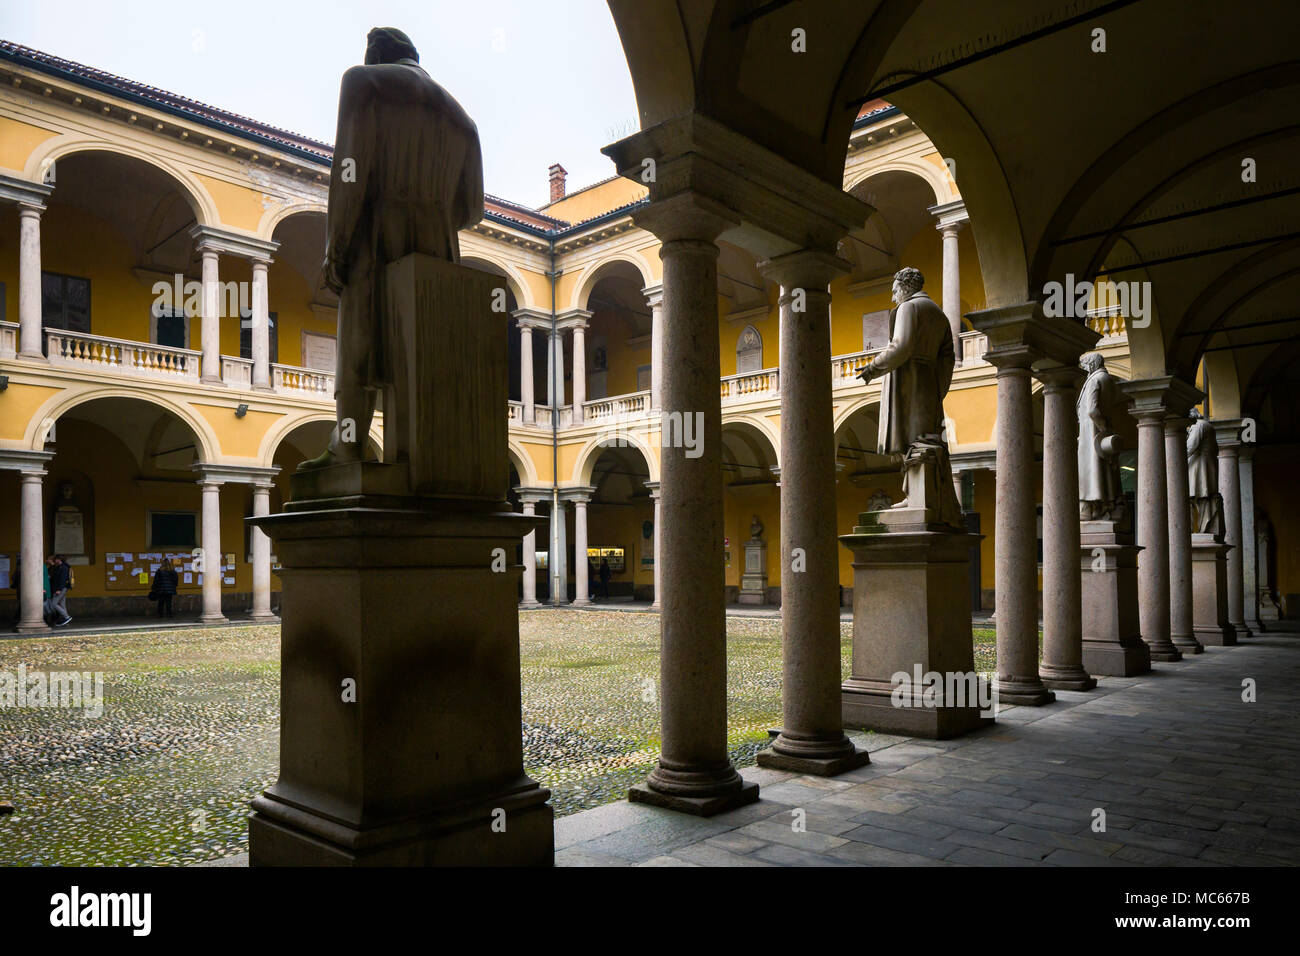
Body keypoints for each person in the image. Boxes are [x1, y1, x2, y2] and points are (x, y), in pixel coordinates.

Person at [300, 26, 484, 471]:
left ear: (375, 54)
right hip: (438, 243)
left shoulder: (365, 82)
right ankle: (430, 456)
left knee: (360, 341)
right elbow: (472, 207)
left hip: (378, 227)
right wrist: (433, 211)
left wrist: (337, 244)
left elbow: (349, 169)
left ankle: (349, 444)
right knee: (423, 354)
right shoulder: (464, 120)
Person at [856, 266, 961, 525]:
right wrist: (939, 387)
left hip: (908, 381)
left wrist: (873, 368)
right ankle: (918, 495)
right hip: (928, 383)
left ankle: (916, 496)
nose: (893, 297)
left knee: (911, 439)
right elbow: (948, 357)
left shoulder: (909, 308)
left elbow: (900, 345)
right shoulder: (939, 315)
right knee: (923, 437)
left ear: (905, 287)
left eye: (894, 291)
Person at [47, 554, 72, 627]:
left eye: (56, 559)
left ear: (59, 560)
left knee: (53, 604)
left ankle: (67, 617)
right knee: (62, 604)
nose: (54, 560)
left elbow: (62, 580)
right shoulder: (59, 567)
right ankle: (66, 620)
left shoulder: (63, 568)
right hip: (60, 588)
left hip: (61, 588)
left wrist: (59, 589)